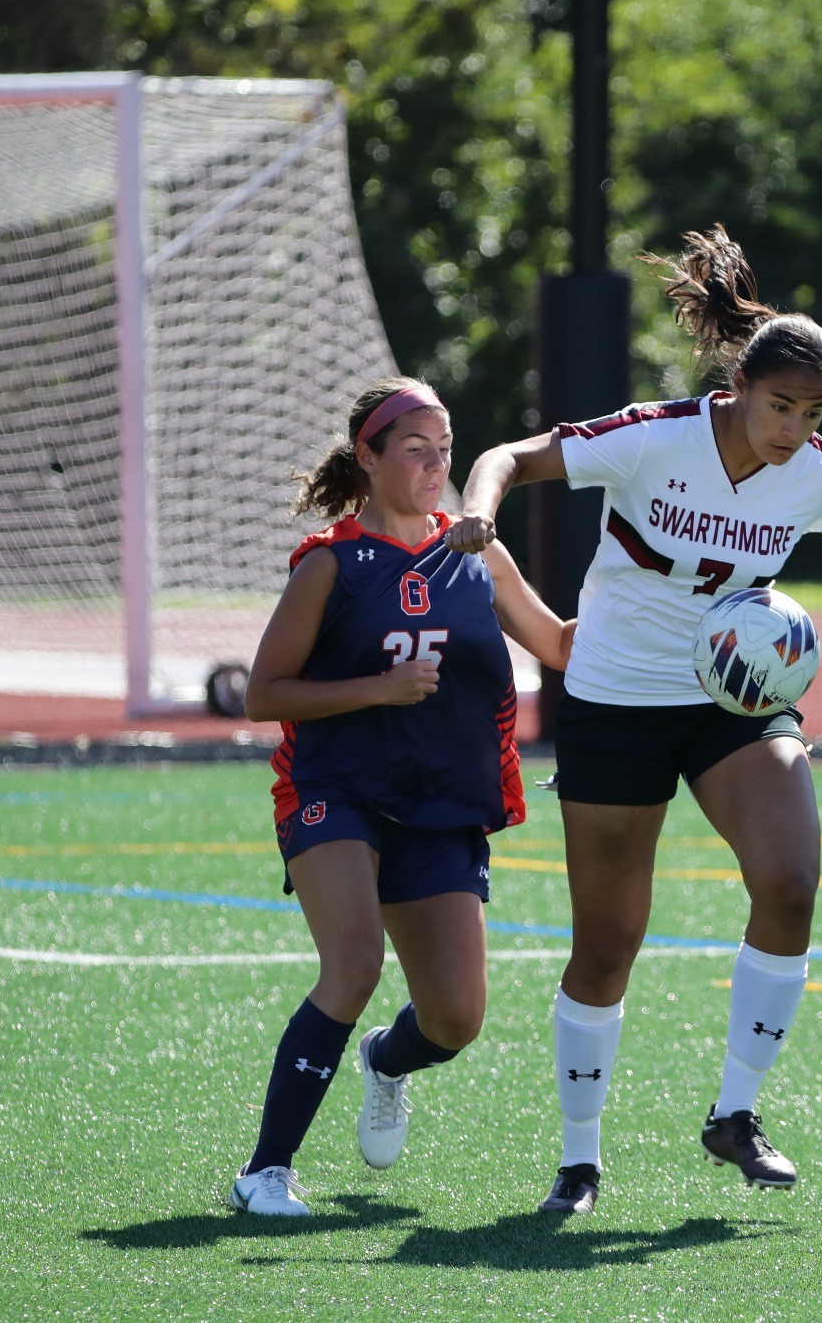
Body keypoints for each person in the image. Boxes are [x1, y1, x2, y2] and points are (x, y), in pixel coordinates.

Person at [444, 225, 822, 1215]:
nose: (791, 426)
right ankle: (578, 1162)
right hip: (614, 697)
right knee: (608, 943)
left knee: (790, 880)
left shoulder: (816, 473)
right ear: (738, 388)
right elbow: (505, 455)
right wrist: (477, 509)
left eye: (810, 411)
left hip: (731, 699)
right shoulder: (653, 435)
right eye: (778, 405)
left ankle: (735, 1115)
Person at [228, 377, 573, 1216]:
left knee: (456, 1018)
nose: (434, 464)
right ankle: (264, 1174)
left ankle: (385, 1061)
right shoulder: (331, 562)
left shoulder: (477, 554)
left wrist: (667, 615)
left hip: (442, 804)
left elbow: (563, 645)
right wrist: (376, 689)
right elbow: (262, 692)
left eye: (444, 450)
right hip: (334, 790)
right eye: (414, 449)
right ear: (369, 458)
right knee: (353, 966)